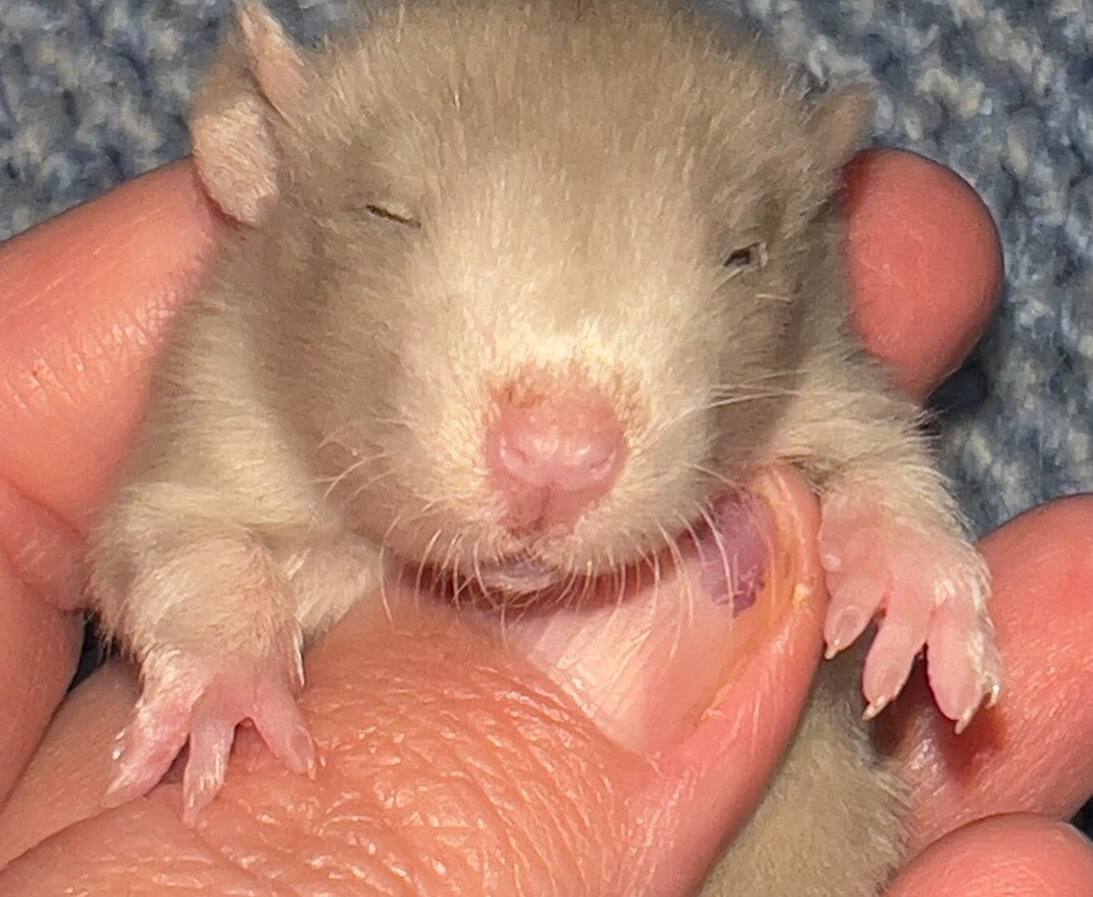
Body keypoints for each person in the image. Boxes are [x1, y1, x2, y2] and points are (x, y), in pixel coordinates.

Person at [0, 152, 1091, 896]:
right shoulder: (251, 364)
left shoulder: (776, 376)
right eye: (396, 221)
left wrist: (897, 538)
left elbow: (862, 448)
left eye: (729, 260)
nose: (556, 462)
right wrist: (218, 629)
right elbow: (169, 528)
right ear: (260, 157)